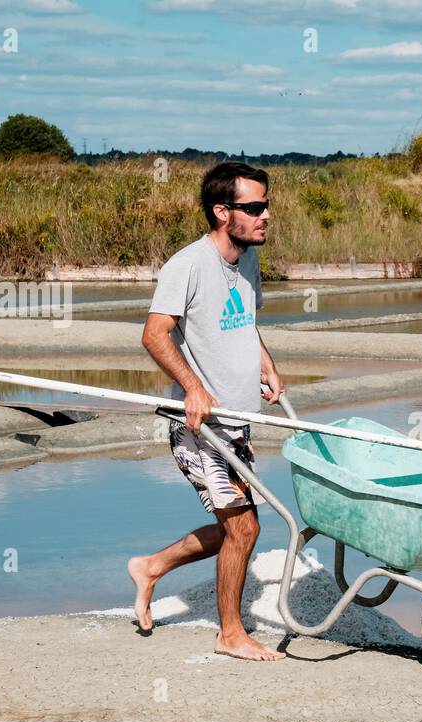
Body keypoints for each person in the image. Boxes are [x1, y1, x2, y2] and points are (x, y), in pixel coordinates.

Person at [127, 161, 286, 662]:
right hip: (200, 427)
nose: (265, 217)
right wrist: (192, 387)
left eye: (266, 206)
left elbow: (244, 325)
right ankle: (230, 634)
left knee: (231, 527)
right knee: (245, 527)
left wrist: (267, 366)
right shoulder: (188, 266)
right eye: (254, 208)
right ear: (222, 212)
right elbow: (154, 334)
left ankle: (151, 566)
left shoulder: (248, 260)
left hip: (238, 423)